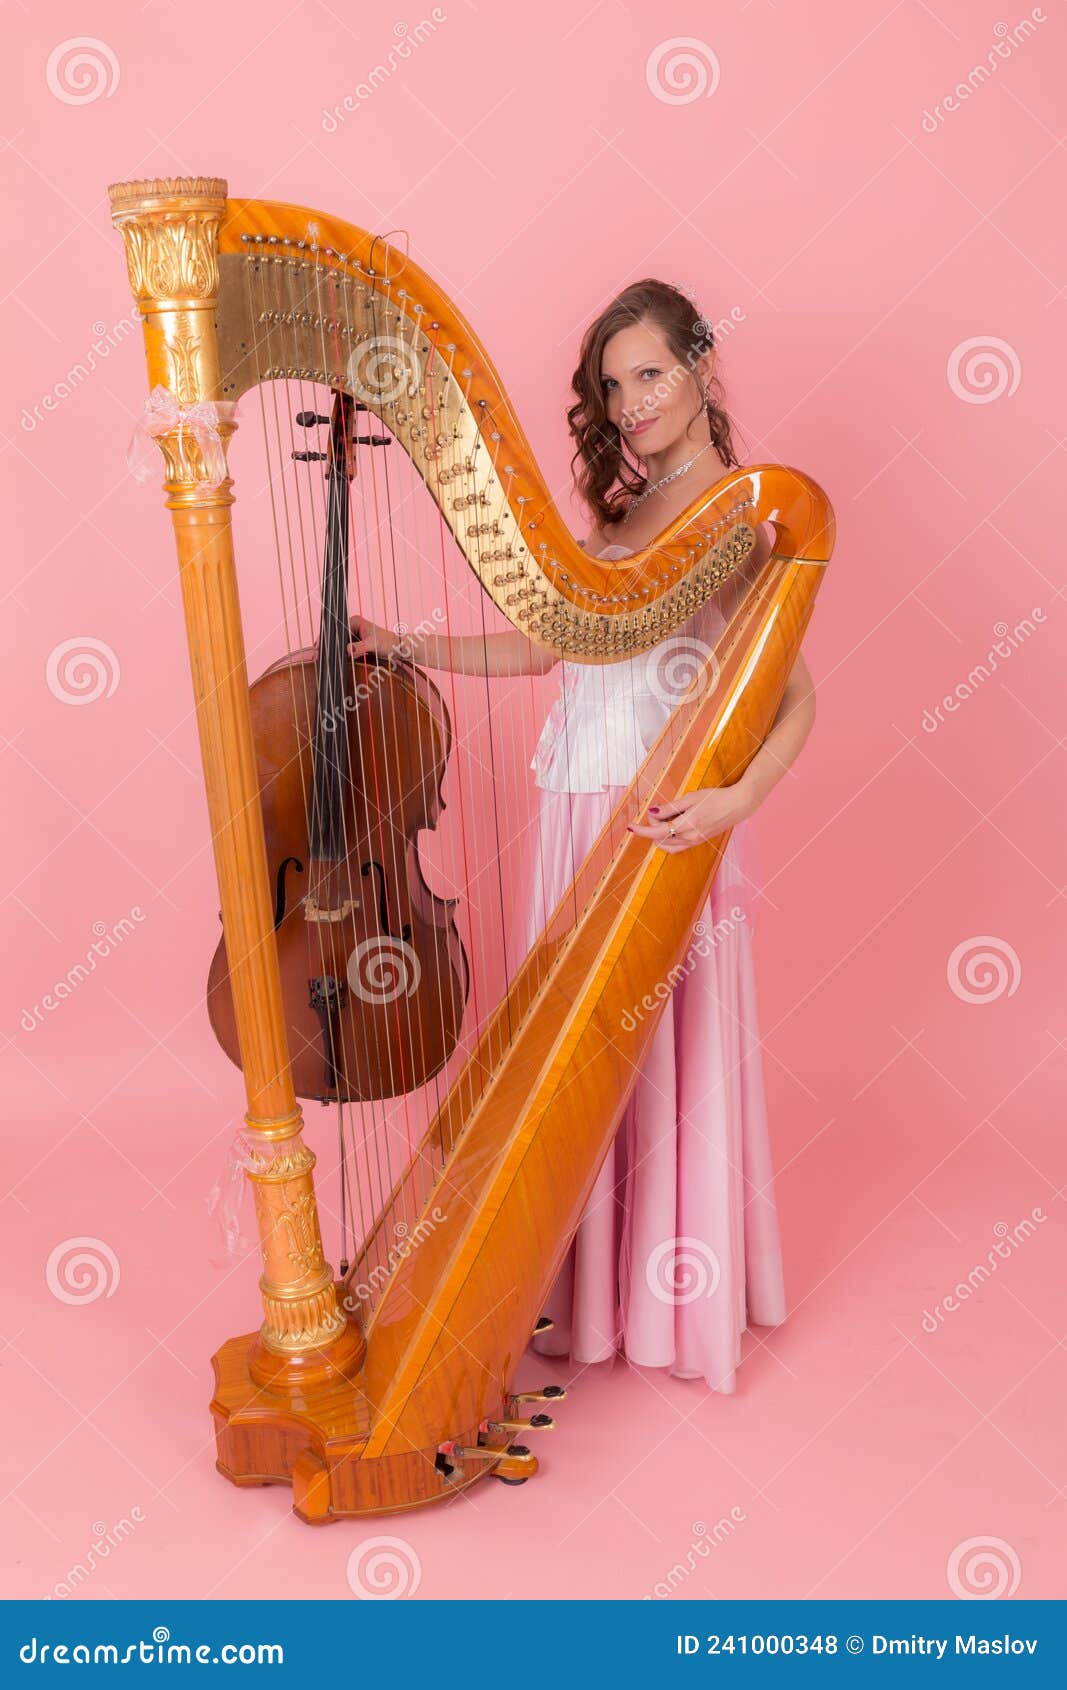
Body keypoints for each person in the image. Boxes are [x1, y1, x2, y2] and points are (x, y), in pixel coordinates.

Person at [350, 279, 816, 1391]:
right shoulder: (615, 520)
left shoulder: (744, 517)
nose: (630, 403)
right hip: (572, 812)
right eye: (612, 387)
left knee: (665, 1055)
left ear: (702, 365)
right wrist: (401, 640)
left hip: (661, 821)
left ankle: (665, 1302)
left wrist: (731, 804)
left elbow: (795, 696)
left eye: (649, 372)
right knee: (568, 1057)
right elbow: (543, 649)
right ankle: (578, 1292)